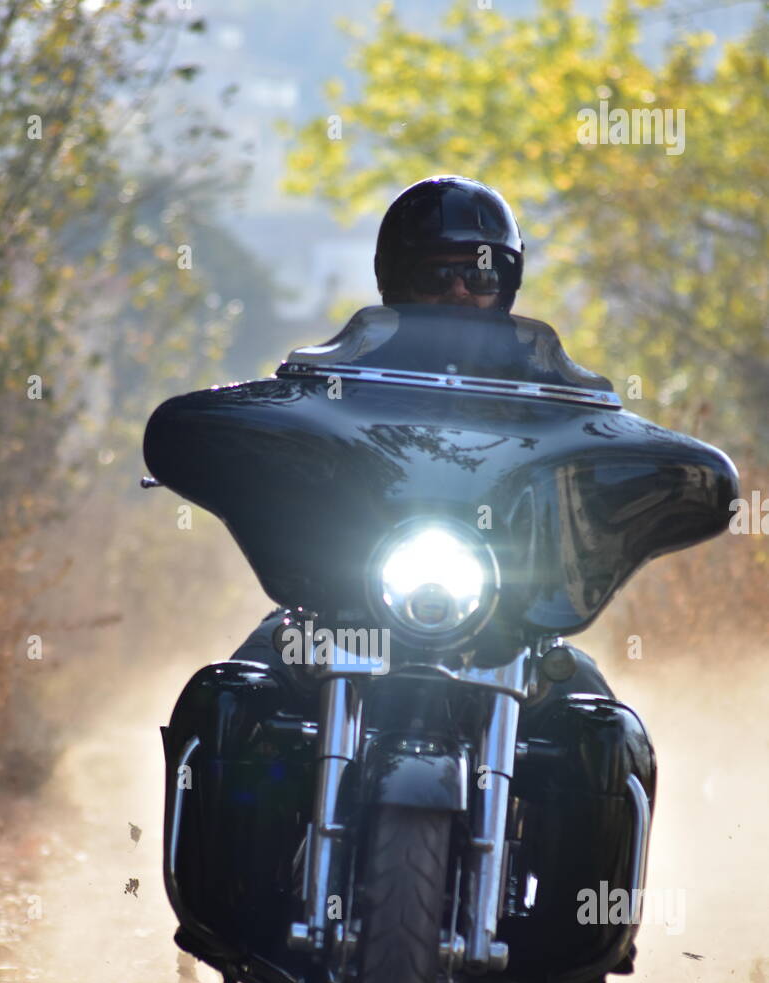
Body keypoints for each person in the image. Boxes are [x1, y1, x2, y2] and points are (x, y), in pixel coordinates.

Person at [230, 176, 614, 715]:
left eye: (481, 274)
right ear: (396, 280)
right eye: (437, 273)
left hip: (508, 622)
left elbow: (594, 453)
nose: (460, 290)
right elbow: (284, 435)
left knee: (602, 724)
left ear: (506, 283)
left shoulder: (549, 392)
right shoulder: (340, 379)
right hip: (338, 612)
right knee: (229, 696)